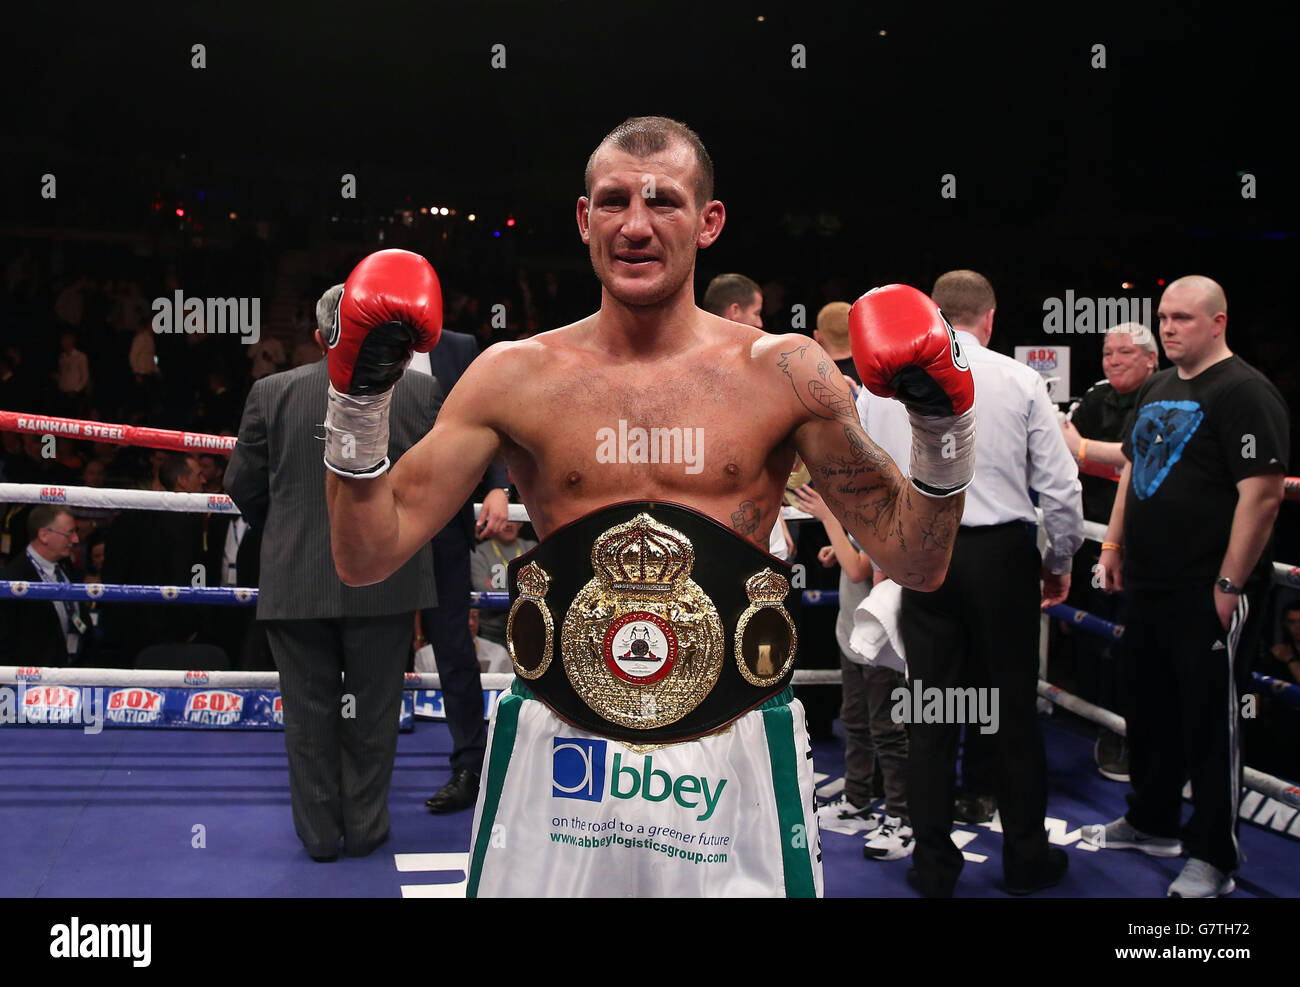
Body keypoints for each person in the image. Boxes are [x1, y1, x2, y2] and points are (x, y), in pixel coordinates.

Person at [322, 116, 976, 897]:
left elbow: (917, 561)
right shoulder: (513, 375)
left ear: (709, 222)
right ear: (583, 218)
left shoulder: (785, 372)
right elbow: (365, 556)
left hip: (727, 752)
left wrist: (942, 431)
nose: (635, 224)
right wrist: (358, 404)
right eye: (613, 201)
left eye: (663, 201)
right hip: (562, 749)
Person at [857, 269, 1083, 897]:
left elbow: (863, 482)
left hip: (923, 552)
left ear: (931, 314)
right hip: (1000, 557)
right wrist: (1059, 560)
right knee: (1012, 715)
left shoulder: (883, 389)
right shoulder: (1018, 378)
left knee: (930, 715)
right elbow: (1061, 488)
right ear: (989, 319)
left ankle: (932, 868)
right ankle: (1027, 862)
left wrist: (880, 553)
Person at [1085, 275, 1289, 897]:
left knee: (1208, 722)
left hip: (1208, 585)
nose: (1170, 328)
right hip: (1148, 578)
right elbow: (1131, 467)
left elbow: (1263, 496)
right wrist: (1114, 544)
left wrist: (1229, 582)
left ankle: (1213, 856)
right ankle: (1151, 820)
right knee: (1146, 707)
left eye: (1184, 319)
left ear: (1218, 322)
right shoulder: (1158, 385)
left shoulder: (1247, 392)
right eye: (1164, 318)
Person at [225, 312, 438, 862]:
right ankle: (365, 828)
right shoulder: (418, 392)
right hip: (386, 576)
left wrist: (290, 529)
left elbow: (241, 486)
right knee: (374, 711)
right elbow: (439, 486)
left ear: (320, 338)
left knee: (307, 714)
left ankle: (319, 836)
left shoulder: (273, 391)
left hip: (296, 576)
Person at [402, 305, 512, 813]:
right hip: (382, 516)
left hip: (445, 520)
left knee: (453, 644)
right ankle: (361, 772)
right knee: (373, 643)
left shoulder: (459, 348)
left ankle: (470, 765)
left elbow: (488, 421)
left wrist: (496, 488)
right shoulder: (359, 343)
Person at [1060, 323, 1159, 782]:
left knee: (1133, 640)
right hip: (1091, 535)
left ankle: (1129, 734)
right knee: (1089, 630)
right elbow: (1058, 444)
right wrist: (1084, 451)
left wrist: (1081, 448)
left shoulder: (1163, 394)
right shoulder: (1098, 395)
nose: (1114, 360)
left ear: (1150, 358)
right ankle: (1096, 721)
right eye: (1108, 352)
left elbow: (1134, 456)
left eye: (1125, 353)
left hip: (1141, 539)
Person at [795, 482, 911, 857]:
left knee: (888, 732)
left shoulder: (888, 504)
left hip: (879, 639)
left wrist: (829, 518)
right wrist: (839, 543)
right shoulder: (867, 503)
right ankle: (858, 799)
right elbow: (856, 555)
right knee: (856, 722)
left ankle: (901, 817)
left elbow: (860, 569)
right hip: (853, 634)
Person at [0, 506, 91, 665]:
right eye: (69, 533)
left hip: (72, 674)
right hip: (32, 680)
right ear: (44, 535)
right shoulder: (12, 579)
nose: (76, 539)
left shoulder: (64, 566)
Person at [469, 520, 536, 649]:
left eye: (513, 519)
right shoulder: (479, 552)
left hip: (528, 627)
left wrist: (499, 592)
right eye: (504, 520)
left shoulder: (531, 547)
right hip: (490, 632)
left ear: (520, 523)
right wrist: (527, 589)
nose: (509, 524)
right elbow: (482, 591)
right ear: (493, 521)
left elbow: (543, 588)